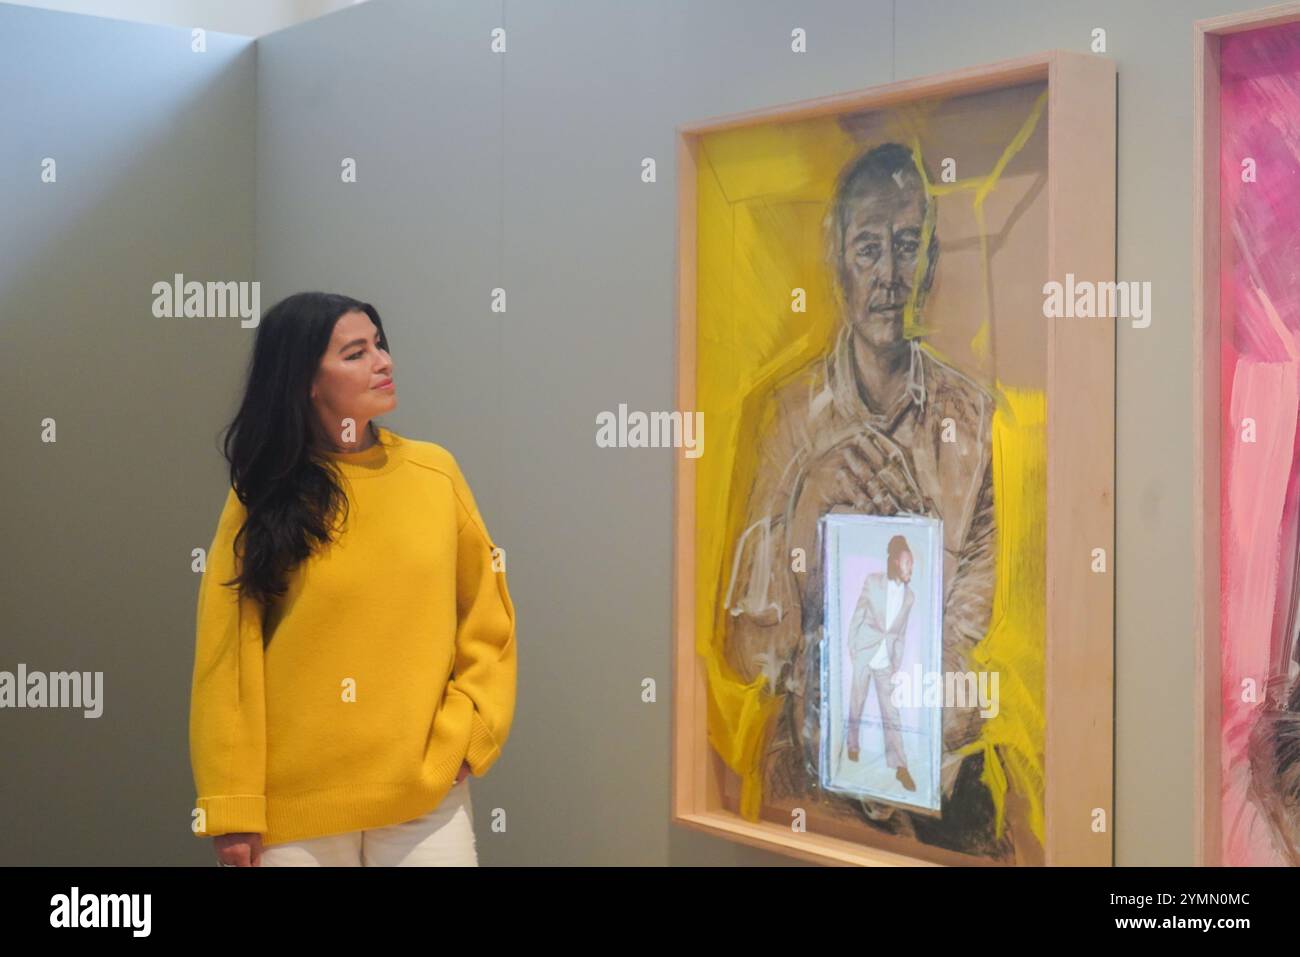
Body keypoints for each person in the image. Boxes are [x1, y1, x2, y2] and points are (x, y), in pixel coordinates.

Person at [722, 142, 1000, 855]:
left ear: (932, 260)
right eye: (868, 249)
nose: (889, 276)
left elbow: (977, 631)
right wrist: (812, 514)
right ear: (837, 261)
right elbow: (748, 651)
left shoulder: (971, 421)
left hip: (937, 790)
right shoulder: (788, 419)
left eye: (907, 247)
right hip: (812, 790)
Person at [189, 291, 517, 866]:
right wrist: (231, 807)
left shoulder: (434, 474)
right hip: (294, 809)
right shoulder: (261, 495)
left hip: (423, 795)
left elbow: (487, 618)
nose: (383, 362)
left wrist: (468, 735)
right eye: (356, 352)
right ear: (306, 381)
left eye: (380, 345)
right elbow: (227, 657)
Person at [844, 535, 916, 792]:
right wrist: (852, 646)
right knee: (857, 702)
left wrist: (896, 660)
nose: (911, 567)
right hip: (864, 651)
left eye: (913, 563)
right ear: (896, 561)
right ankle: (852, 745)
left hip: (886, 661)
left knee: (892, 714)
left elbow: (901, 633)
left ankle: (900, 767)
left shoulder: (910, 598)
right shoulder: (873, 582)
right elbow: (858, 614)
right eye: (908, 562)